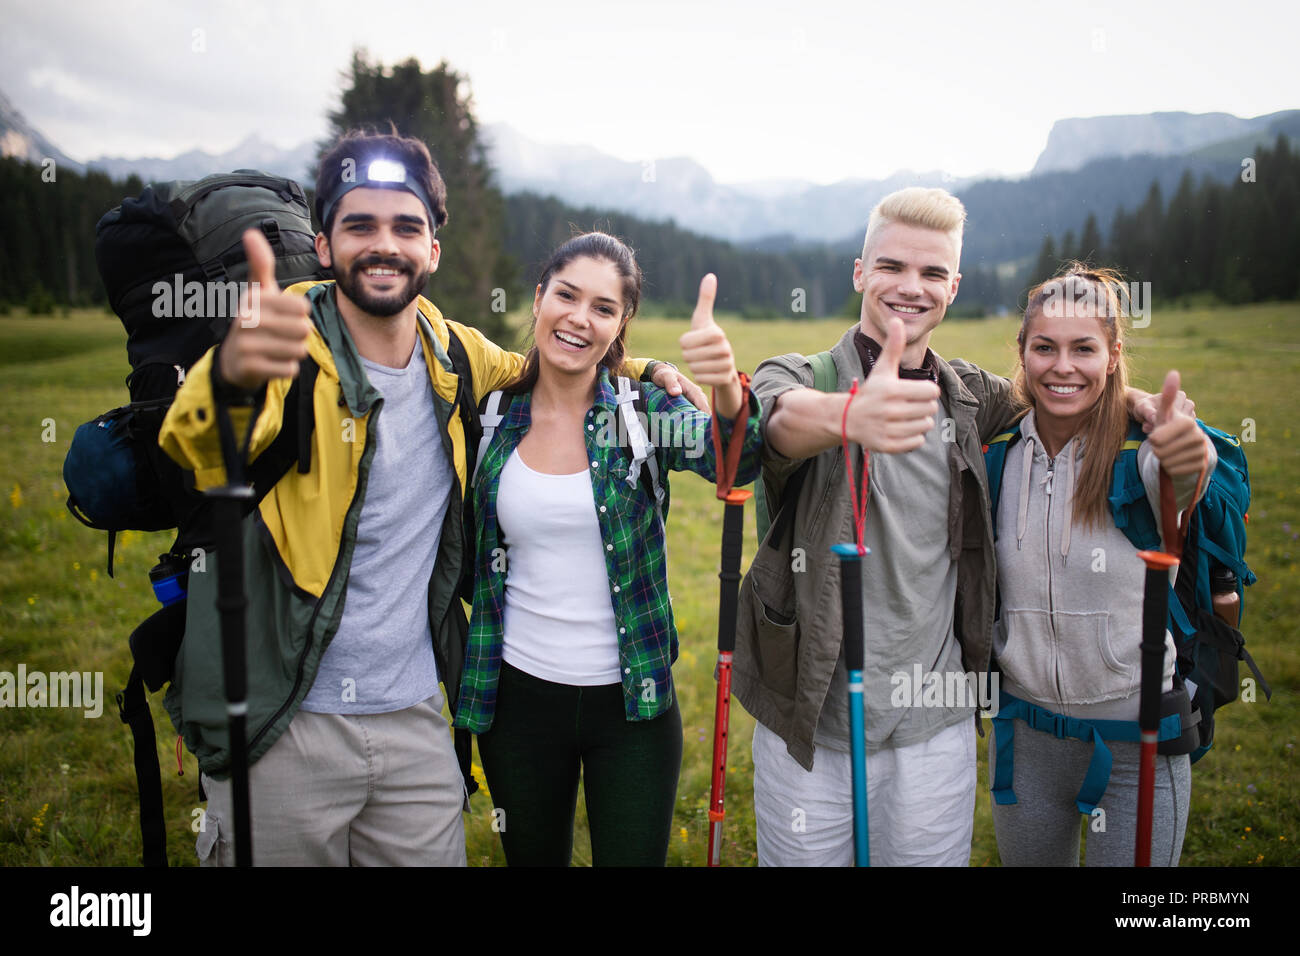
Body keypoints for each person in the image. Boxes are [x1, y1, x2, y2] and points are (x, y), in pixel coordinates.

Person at [158, 131, 700, 866]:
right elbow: (194, 451)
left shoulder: (455, 353)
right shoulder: (281, 342)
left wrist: (644, 364)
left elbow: (552, 363)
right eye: (360, 226)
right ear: (323, 245)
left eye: (406, 227)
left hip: (416, 720)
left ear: (432, 252)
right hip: (287, 721)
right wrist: (226, 375)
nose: (385, 245)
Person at [731, 187, 1177, 866]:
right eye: (891, 267)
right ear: (859, 272)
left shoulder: (972, 399)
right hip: (812, 724)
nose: (911, 287)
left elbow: (1061, 391)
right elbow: (776, 422)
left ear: (954, 286)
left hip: (935, 726)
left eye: (932, 273)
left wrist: (1136, 400)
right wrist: (848, 416)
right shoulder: (802, 375)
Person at [453, 232, 762, 866]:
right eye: (565, 295)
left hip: (635, 706)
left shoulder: (646, 412)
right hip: (515, 702)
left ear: (621, 324)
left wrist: (724, 389)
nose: (578, 318)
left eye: (603, 308)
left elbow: (739, 460)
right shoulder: (487, 412)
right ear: (539, 298)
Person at [987, 266, 1213, 866]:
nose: (1063, 366)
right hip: (1025, 741)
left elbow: (1183, 476)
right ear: (1023, 353)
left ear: (1113, 356)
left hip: (1138, 743)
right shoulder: (996, 454)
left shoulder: (1139, 453)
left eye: (1083, 348)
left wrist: (1188, 447)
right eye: (1045, 347)